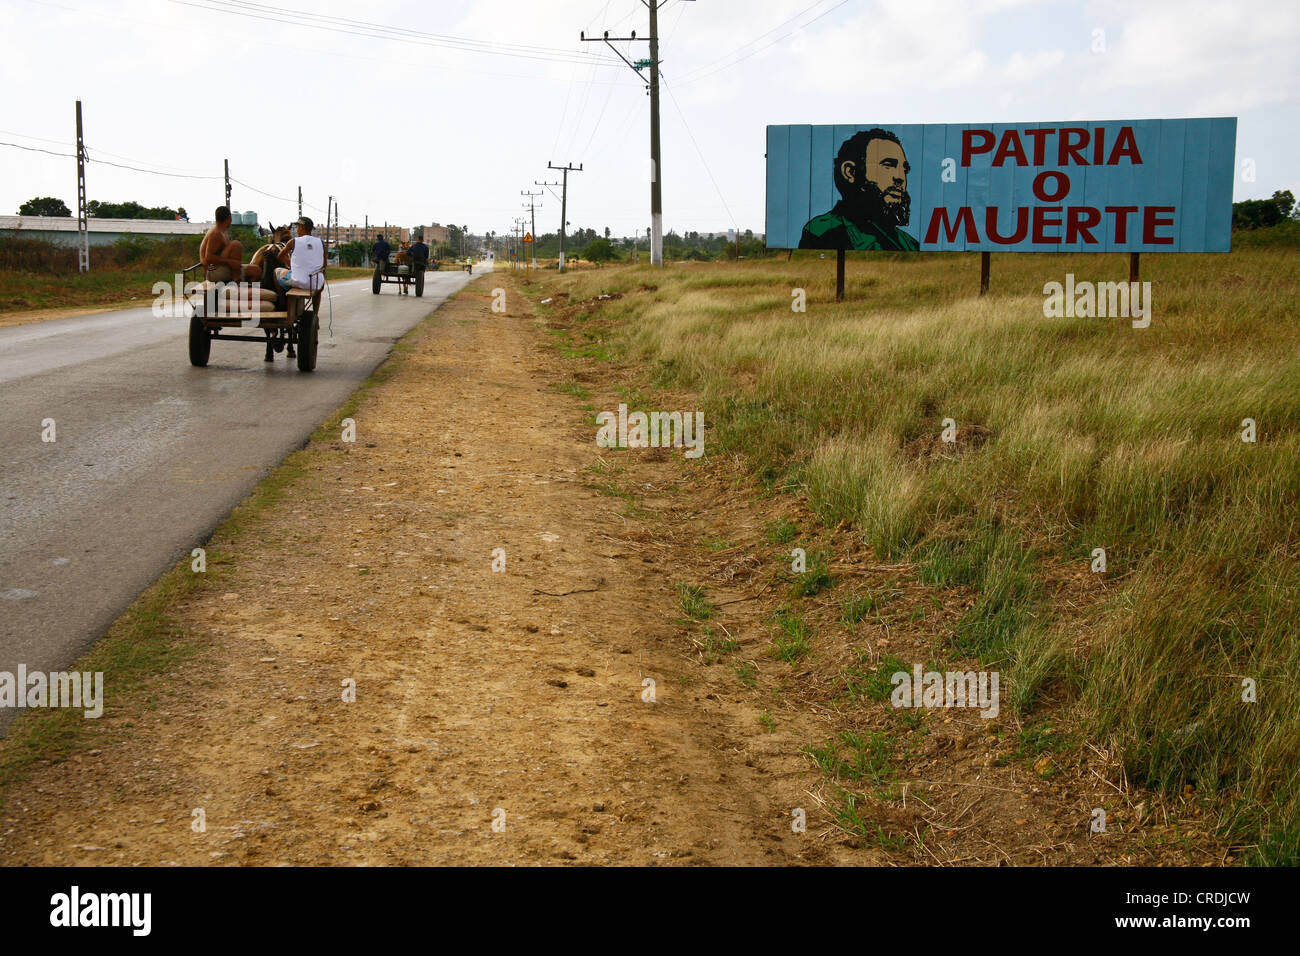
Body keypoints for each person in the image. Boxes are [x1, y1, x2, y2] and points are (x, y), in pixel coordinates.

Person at [799, 128, 920, 251]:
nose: (900, 177)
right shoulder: (825, 232)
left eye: (905, 170)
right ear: (850, 172)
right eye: (888, 165)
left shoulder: (909, 244)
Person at [274, 216, 326, 293]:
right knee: (318, 286)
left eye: (297, 227)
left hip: (297, 281)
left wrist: (288, 266)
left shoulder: (293, 241)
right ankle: (315, 305)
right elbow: (324, 264)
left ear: (301, 228)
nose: (297, 229)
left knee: (276, 271)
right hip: (317, 283)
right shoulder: (321, 242)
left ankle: (282, 299)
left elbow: (279, 257)